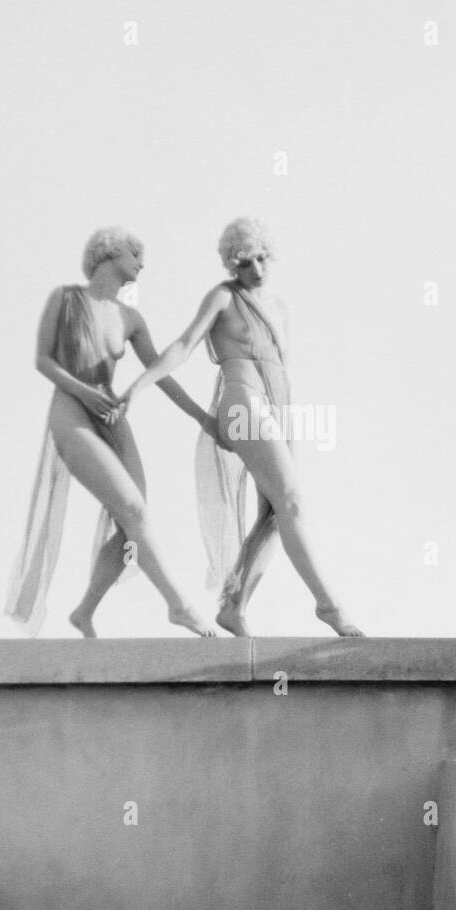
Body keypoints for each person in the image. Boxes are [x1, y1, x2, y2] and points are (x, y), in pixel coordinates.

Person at [117, 218, 363, 638]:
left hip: (278, 407)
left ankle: (234, 606)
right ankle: (330, 606)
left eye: (262, 258)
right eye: (245, 262)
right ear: (233, 264)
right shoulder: (222, 298)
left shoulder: (280, 307)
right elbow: (182, 346)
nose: (256, 269)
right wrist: (141, 384)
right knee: (293, 501)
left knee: (274, 513)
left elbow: (279, 365)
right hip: (241, 402)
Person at [5, 227, 217, 638]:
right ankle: (179, 604)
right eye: (135, 253)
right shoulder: (65, 298)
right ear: (110, 251)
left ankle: (84, 611)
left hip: (113, 416)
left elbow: (159, 372)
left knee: (133, 520)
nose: (143, 262)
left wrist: (199, 416)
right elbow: (43, 361)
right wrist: (84, 391)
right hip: (72, 409)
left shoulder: (131, 318)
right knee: (133, 511)